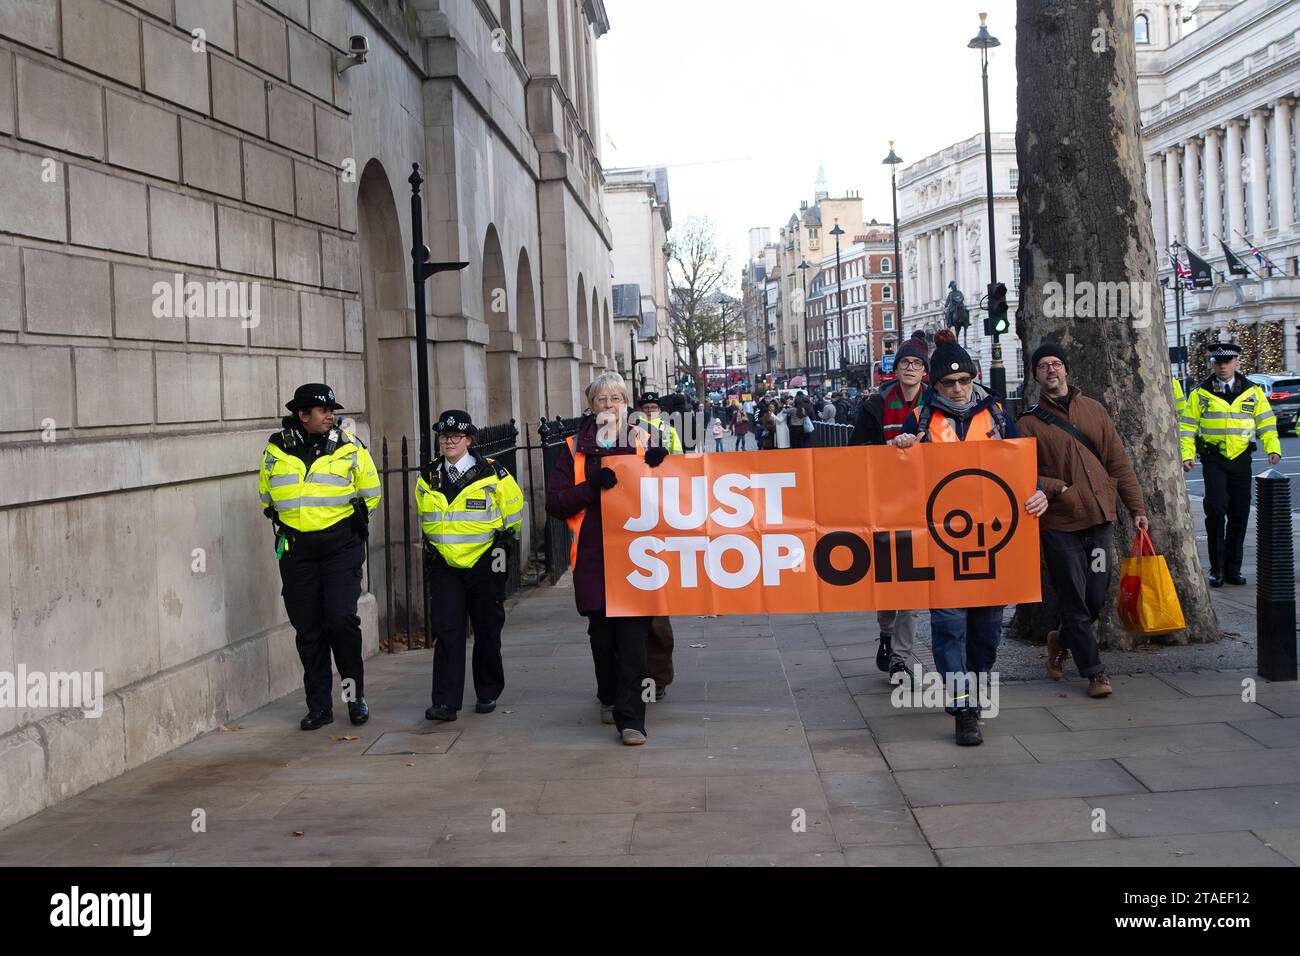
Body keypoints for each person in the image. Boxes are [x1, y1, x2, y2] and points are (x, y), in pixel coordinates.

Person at [893, 332, 1048, 746]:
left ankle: (977, 690)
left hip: (993, 543)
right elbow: (896, 481)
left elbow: (1022, 466)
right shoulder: (921, 421)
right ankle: (963, 707)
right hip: (943, 545)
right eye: (948, 383)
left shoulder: (997, 414)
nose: (958, 390)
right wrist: (901, 449)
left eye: (963, 381)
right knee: (948, 628)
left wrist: (1036, 492)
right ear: (936, 385)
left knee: (986, 630)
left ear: (973, 378)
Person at [1017, 344, 1147, 698]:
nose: (1051, 370)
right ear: (1036, 375)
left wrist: (1137, 509)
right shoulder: (1027, 423)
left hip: (1099, 518)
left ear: (1066, 370)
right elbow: (1019, 475)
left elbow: (1119, 463)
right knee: (1073, 597)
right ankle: (1095, 672)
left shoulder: (1094, 411)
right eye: (1043, 366)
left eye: (1056, 364)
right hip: (1059, 525)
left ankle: (1061, 636)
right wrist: (1057, 487)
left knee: (1094, 594)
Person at [545, 372, 668, 745]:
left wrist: (665, 467)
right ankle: (609, 694)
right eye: (602, 399)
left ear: (626, 404)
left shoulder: (645, 441)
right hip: (593, 556)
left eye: (616, 398)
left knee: (633, 639)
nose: (610, 405)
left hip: (637, 556)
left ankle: (631, 720)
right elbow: (555, 502)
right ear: (591, 406)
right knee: (603, 638)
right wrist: (591, 488)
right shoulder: (572, 449)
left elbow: (671, 499)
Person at [259, 383, 382, 730]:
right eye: (323, 411)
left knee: (341, 620)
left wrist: (349, 528)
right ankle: (319, 707)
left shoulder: (348, 446)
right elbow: (266, 494)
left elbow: (370, 492)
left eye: (331, 410)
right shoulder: (276, 449)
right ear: (302, 415)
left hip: (339, 545)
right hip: (296, 549)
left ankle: (353, 697)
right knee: (308, 629)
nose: (331, 416)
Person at [417, 410, 524, 722]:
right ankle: (445, 702)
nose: (449, 441)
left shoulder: (493, 473)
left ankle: (488, 690)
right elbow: (426, 518)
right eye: (444, 436)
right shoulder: (428, 476)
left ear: (468, 440)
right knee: (447, 631)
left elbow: (514, 510)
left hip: (484, 561)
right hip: (445, 564)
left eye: (457, 436)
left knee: (488, 628)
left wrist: (506, 542)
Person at [849, 329, 931, 681]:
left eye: (916, 363)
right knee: (887, 582)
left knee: (912, 586)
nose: (910, 368)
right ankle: (885, 631)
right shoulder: (875, 405)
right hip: (883, 504)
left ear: (924, 371)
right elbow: (856, 454)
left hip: (922, 505)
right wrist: (891, 451)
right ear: (895, 369)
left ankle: (901, 658)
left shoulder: (936, 405)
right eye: (904, 363)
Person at [1180, 342, 1282, 586]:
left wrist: (1273, 448)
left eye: (1227, 362)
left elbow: (1266, 422)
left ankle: (1233, 568)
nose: (1222, 366)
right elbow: (1187, 427)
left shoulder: (1253, 392)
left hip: (1241, 459)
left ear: (1236, 363)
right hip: (1214, 459)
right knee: (1215, 511)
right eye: (1218, 362)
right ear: (1213, 364)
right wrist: (1187, 454)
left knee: (1240, 512)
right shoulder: (1201, 393)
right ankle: (1217, 568)